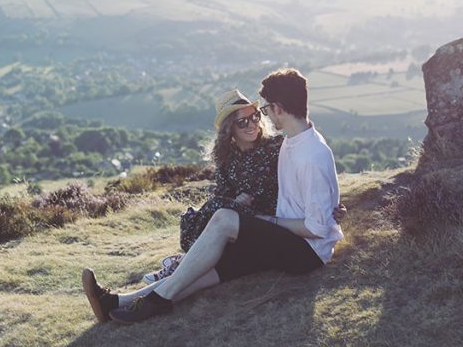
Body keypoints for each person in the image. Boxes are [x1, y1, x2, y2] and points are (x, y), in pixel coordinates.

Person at [83, 68, 344, 324]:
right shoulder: (291, 141)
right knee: (213, 268)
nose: (261, 119)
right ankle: (119, 301)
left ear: (277, 108)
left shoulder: (310, 155)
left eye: (262, 111)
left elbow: (317, 227)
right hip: (283, 235)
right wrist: (325, 204)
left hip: (306, 252)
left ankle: (157, 301)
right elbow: (314, 197)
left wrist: (269, 220)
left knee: (224, 220)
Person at [142, 89, 283, 284]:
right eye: (243, 122)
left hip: (269, 219)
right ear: (229, 128)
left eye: (255, 117)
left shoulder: (276, 147)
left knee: (215, 208)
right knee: (215, 208)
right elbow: (223, 195)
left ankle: (182, 264)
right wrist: (236, 202)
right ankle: (184, 265)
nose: (252, 125)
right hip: (238, 222)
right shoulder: (227, 158)